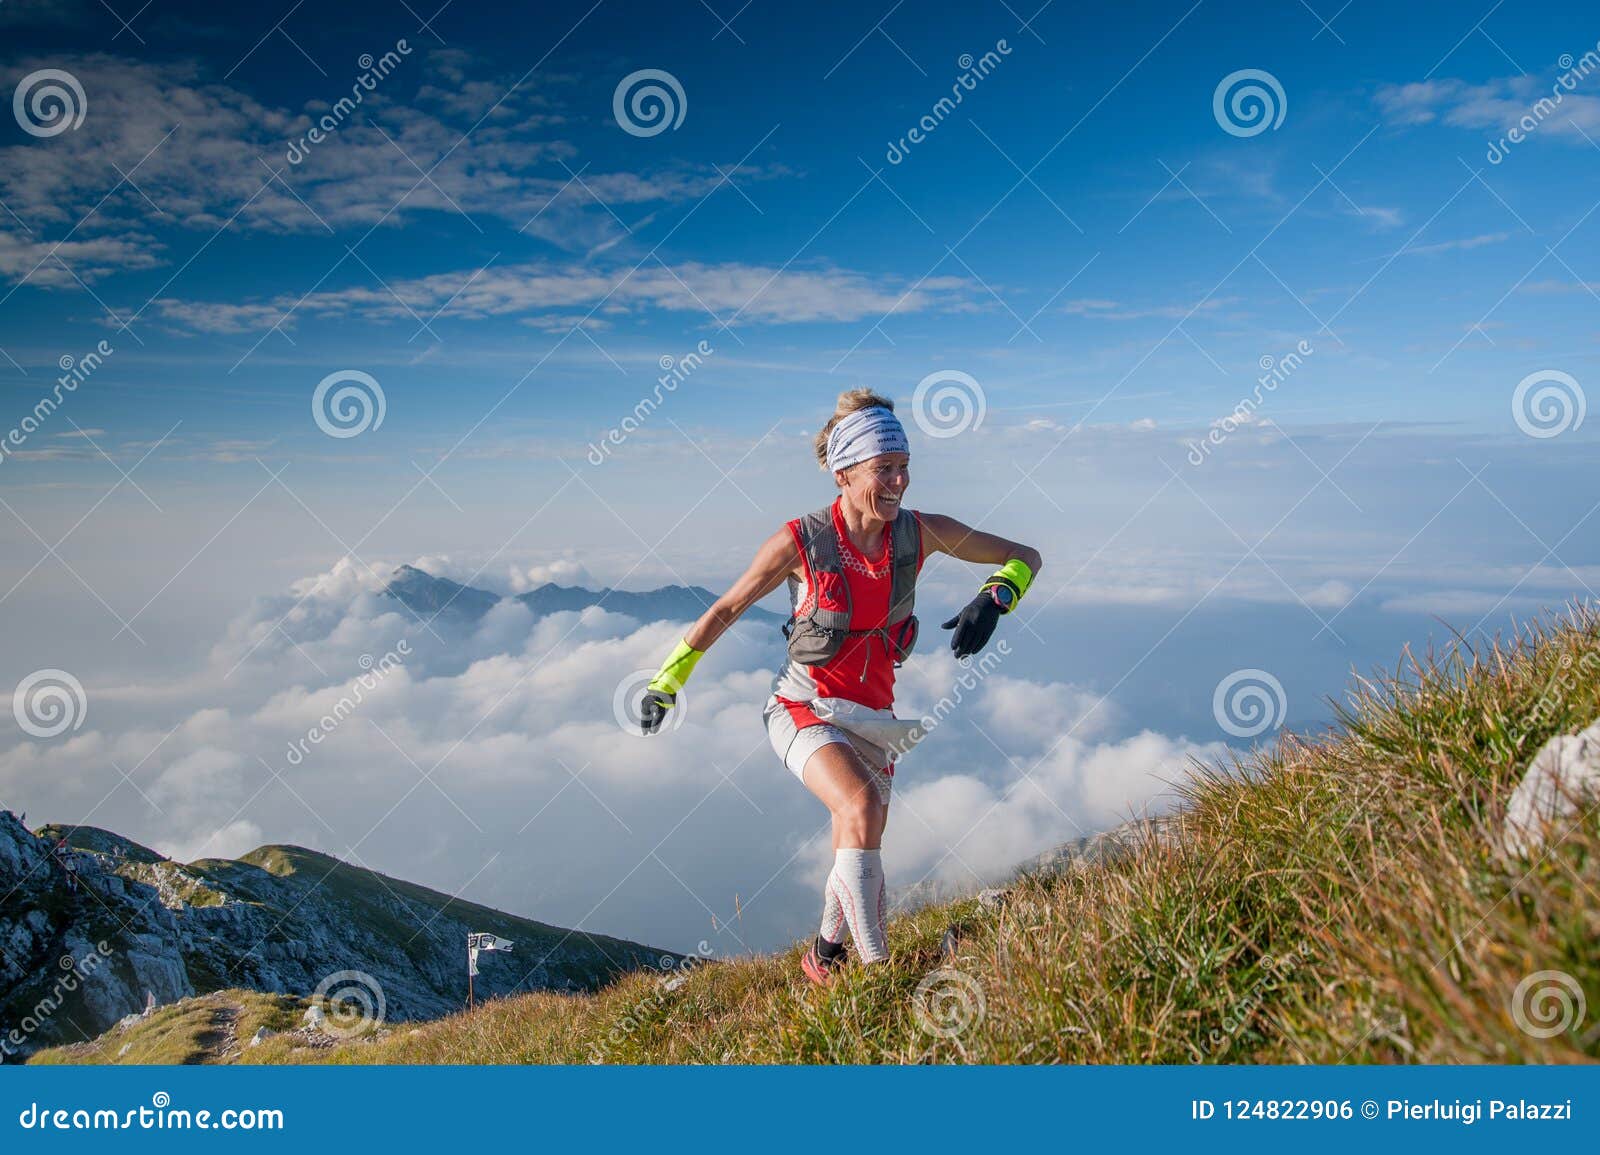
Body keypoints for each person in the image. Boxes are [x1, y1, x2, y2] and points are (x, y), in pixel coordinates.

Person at [638, 388, 1043, 983]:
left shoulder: (920, 533)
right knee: (861, 804)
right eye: (885, 469)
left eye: (905, 468)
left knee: (861, 832)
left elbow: (1024, 554)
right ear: (844, 472)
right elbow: (726, 608)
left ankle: (824, 959)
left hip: (873, 715)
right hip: (800, 707)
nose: (900, 483)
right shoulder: (799, 541)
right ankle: (883, 975)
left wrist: (997, 595)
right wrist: (665, 681)